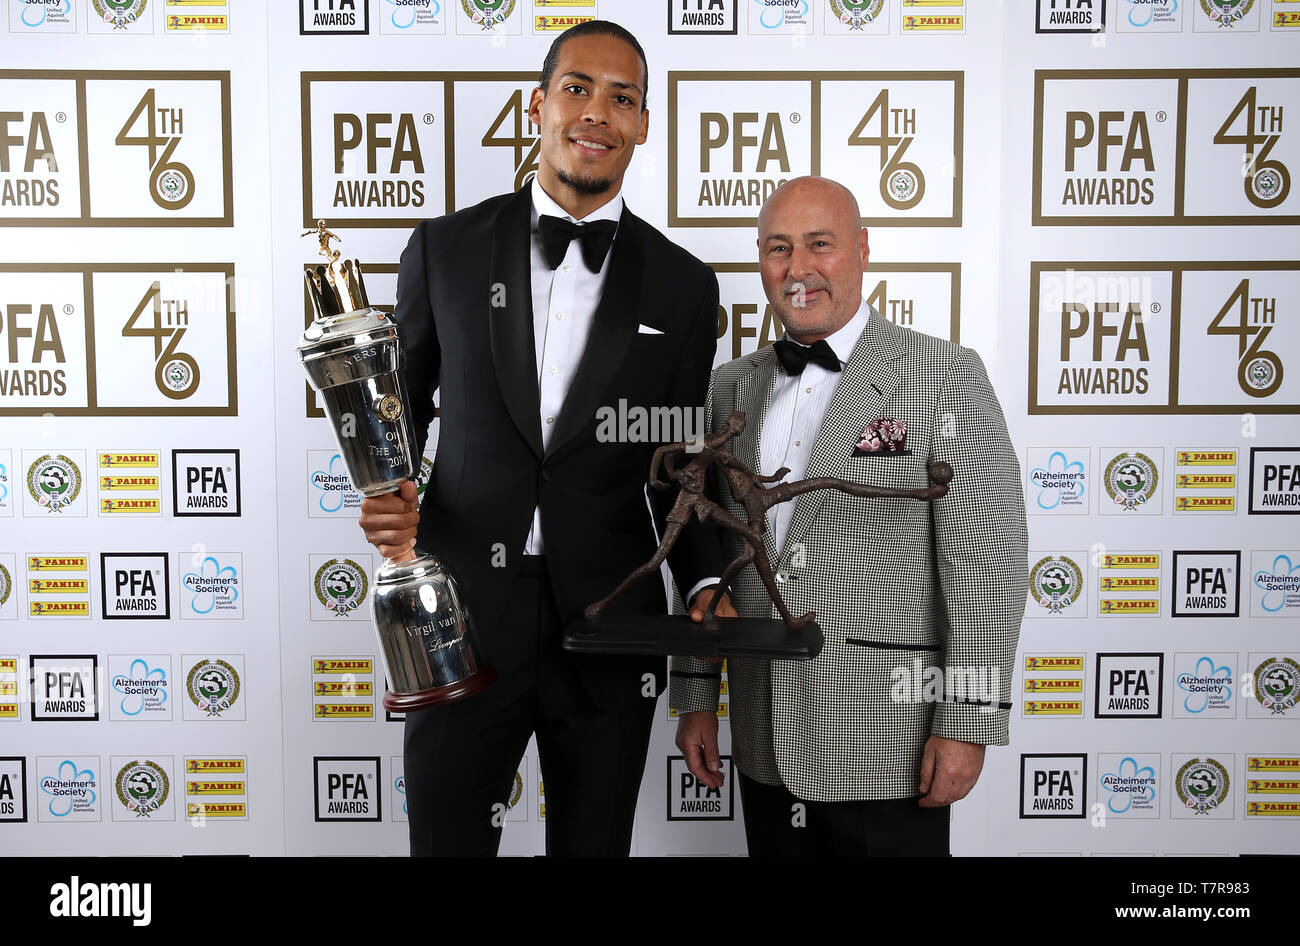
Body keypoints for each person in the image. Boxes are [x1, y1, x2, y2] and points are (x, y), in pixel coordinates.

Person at [360, 20, 733, 857]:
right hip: (459, 621)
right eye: (578, 88)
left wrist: (705, 575)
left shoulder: (681, 285)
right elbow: (400, 417)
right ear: (537, 105)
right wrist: (387, 491)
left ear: (643, 123)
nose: (597, 112)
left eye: (622, 97)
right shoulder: (443, 250)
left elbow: (679, 466)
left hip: (609, 626)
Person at [670, 176, 1028, 857]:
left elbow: (987, 562)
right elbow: (707, 553)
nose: (798, 269)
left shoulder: (943, 374)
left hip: (891, 737)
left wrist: (968, 719)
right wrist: (694, 694)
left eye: (820, 245)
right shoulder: (729, 387)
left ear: (863, 251)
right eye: (778, 248)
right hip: (763, 728)